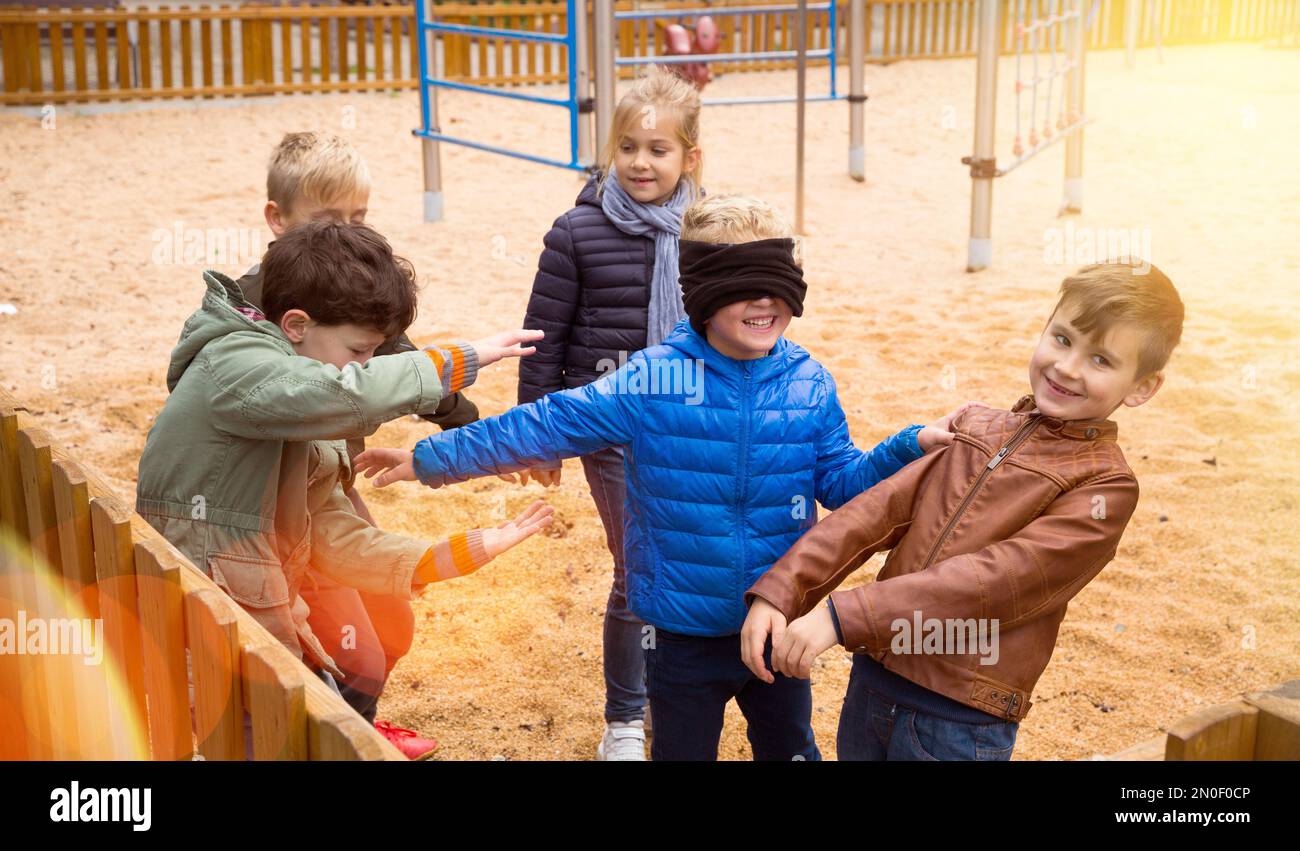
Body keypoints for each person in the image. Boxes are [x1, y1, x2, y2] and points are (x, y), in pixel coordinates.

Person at [741, 260, 1184, 761]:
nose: (1067, 367)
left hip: (956, 716)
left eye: (1101, 360)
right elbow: (875, 513)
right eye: (1061, 339)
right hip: (875, 680)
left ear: (1143, 387)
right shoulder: (978, 428)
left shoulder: (1104, 487)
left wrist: (843, 617)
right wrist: (784, 589)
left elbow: (995, 580)